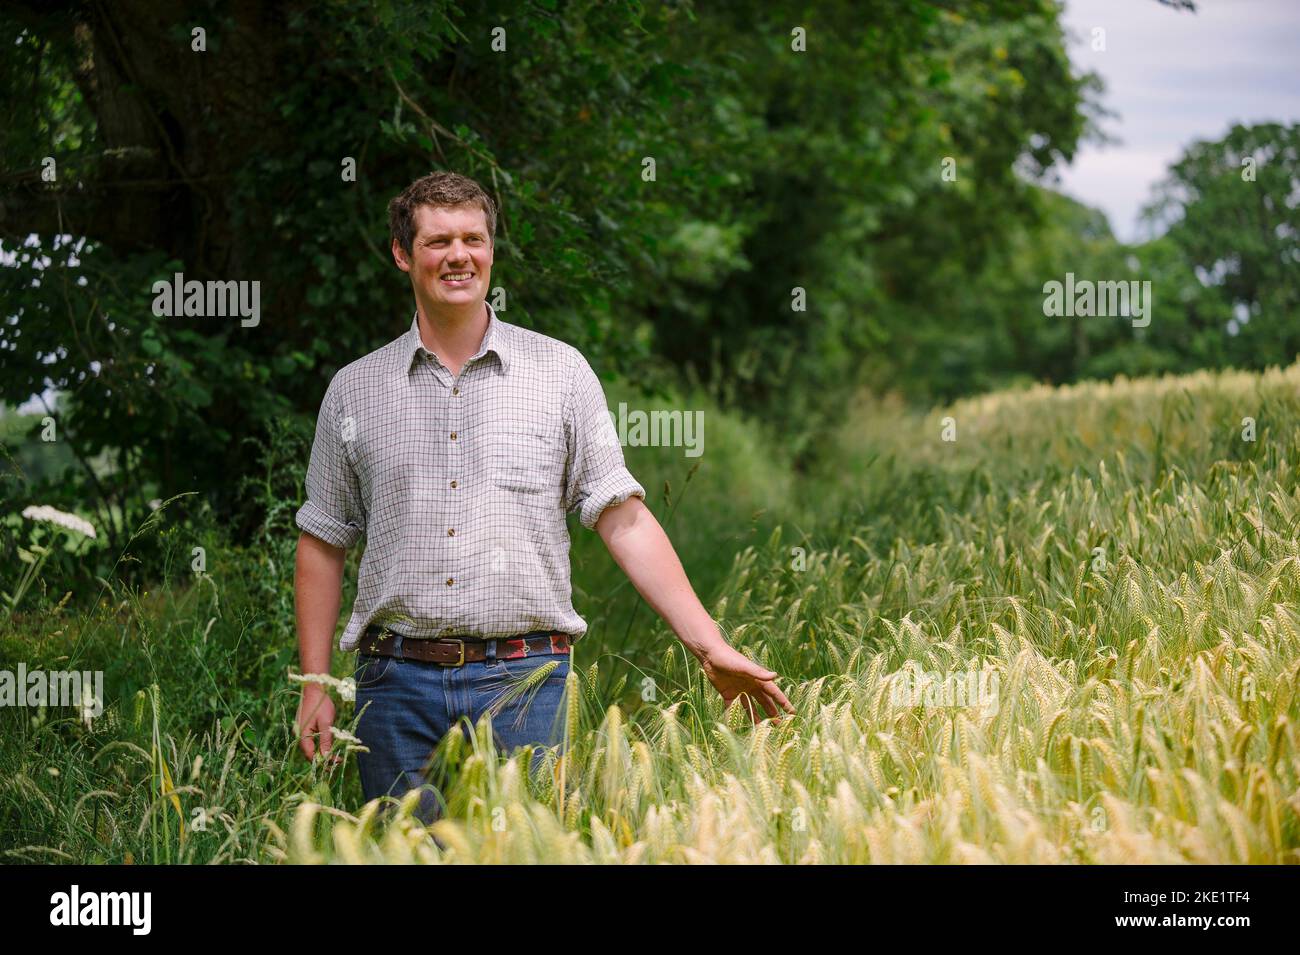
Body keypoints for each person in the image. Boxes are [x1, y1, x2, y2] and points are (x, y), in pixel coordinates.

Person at [293, 171, 793, 822]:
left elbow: (625, 518)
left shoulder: (559, 374)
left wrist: (708, 642)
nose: (458, 255)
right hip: (394, 686)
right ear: (401, 253)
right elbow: (323, 542)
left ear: (492, 250)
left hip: (526, 682)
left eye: (473, 238)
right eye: (438, 240)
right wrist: (315, 682)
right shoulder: (355, 391)